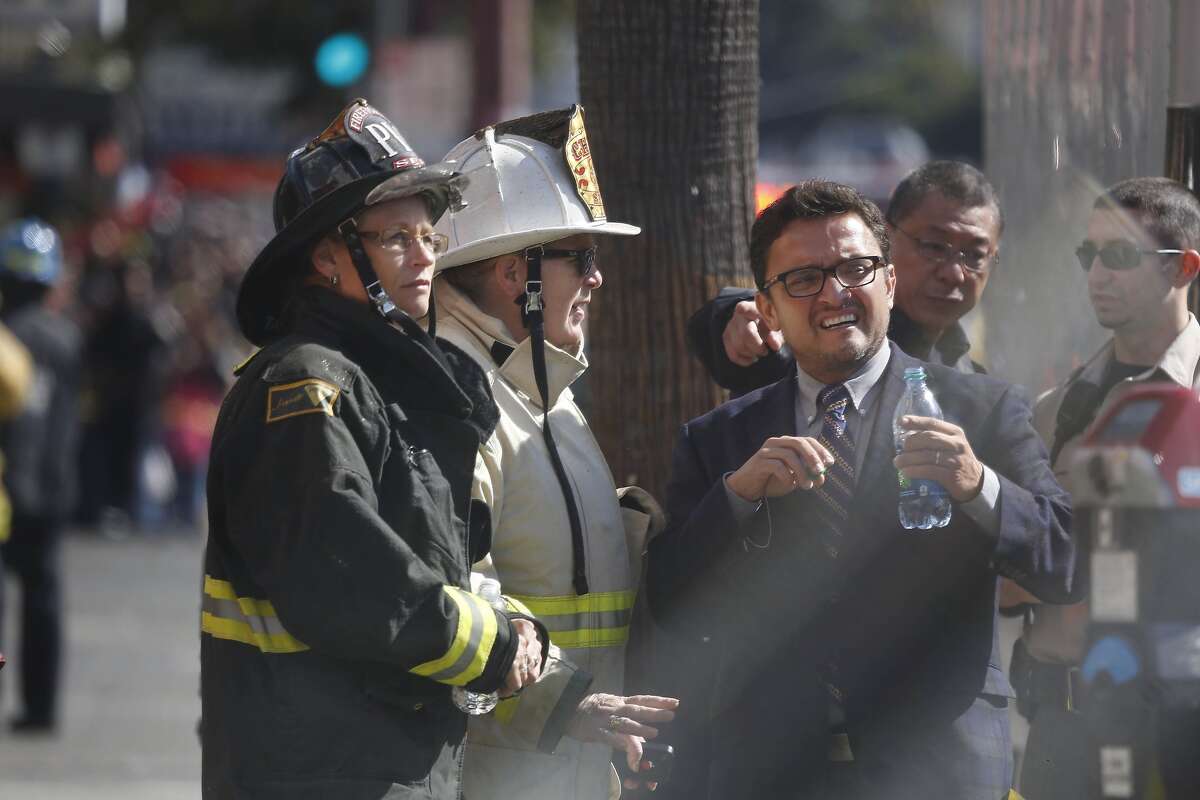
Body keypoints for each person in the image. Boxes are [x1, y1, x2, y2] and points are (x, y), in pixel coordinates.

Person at [647, 180, 1076, 800]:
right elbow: (672, 606)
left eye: (856, 269)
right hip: (768, 767)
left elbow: (1067, 564)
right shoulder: (720, 440)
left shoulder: (981, 412)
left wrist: (979, 487)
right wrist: (735, 499)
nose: (835, 294)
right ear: (766, 308)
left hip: (934, 765)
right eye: (803, 279)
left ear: (890, 282)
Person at [201, 99, 547, 799]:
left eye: (429, 236)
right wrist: (493, 647)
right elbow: (349, 573)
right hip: (319, 769)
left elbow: (426, 555)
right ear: (325, 257)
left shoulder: (375, 382)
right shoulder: (304, 385)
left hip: (378, 760)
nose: (424, 258)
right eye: (395, 239)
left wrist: (509, 622)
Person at [432, 106, 678, 799]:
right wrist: (568, 705)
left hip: (562, 771)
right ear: (517, 274)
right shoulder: (457, 399)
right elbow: (454, 590)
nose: (596, 280)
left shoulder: (545, 391)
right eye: (583, 258)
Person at [1008, 177, 1200, 798]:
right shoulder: (1056, 411)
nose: (1097, 274)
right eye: (1088, 256)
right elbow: (1013, 571)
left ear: (1184, 267)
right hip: (1067, 725)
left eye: (1119, 256)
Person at [689, 160, 1002, 394]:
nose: (952, 273)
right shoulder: (829, 335)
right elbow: (730, 323)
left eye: (975, 255)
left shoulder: (975, 387)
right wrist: (738, 318)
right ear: (886, 239)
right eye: (934, 246)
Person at [0, 217, 79, 733]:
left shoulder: (7, 337)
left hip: (5, 490)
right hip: (51, 491)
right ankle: (42, 707)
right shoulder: (66, 338)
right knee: (43, 603)